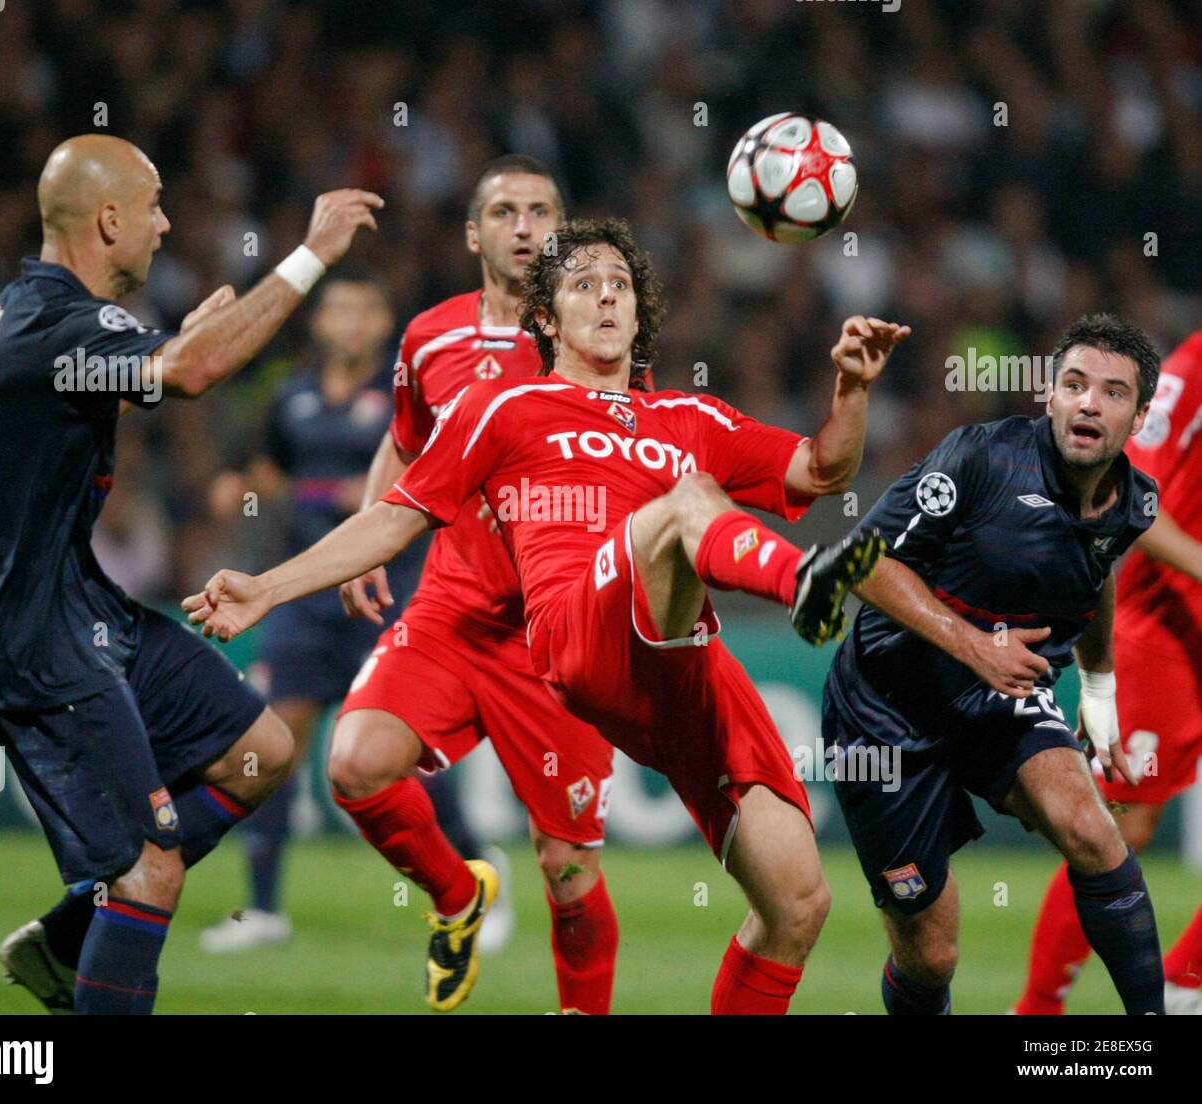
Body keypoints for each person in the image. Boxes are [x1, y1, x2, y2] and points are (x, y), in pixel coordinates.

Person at [183, 216, 909, 1015]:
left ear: (640, 315)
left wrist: (853, 387)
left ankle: (800, 582)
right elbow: (394, 518)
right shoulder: (505, 407)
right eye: (583, 284)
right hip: (575, 635)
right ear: (546, 318)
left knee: (798, 905)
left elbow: (820, 468)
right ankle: (801, 581)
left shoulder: (691, 421)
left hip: (686, 668)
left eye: (620, 285)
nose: (605, 298)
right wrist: (268, 586)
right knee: (684, 504)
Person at [0, 133, 379, 1013]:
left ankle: (72, 942)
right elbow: (191, 369)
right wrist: (310, 255)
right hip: (25, 632)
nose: (166, 223)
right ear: (109, 219)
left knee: (262, 753)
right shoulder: (50, 324)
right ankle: (106, 926)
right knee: (150, 873)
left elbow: (170, 359)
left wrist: (188, 341)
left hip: (76, 604)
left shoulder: (48, 315)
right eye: (152, 207)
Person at [824, 313, 1166, 1015]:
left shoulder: (1133, 501)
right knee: (932, 957)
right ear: (1049, 396)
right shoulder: (980, 459)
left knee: (1092, 831)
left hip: (1000, 695)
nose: (1088, 404)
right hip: (885, 713)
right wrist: (975, 645)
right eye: (1074, 384)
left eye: (1111, 392)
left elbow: (1094, 571)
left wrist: (1098, 689)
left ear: (1138, 415)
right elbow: (859, 564)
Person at [332, 155, 612, 1012]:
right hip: (453, 608)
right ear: (472, 232)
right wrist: (370, 540)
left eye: (540, 211)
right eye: (503, 211)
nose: (524, 227)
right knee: (354, 766)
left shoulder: (596, 336)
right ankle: (458, 896)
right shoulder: (429, 337)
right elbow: (407, 444)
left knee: (567, 869)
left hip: (558, 632)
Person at [199, 276, 425, 952]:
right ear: (321, 323)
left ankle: (469, 874)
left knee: (403, 752)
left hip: (387, 594)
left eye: (363, 306)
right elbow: (263, 471)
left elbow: (429, 483)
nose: (349, 321)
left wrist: (372, 491)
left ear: (384, 321)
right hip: (303, 597)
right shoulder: (291, 395)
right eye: (337, 309)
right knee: (275, 747)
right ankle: (264, 910)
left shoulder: (403, 399)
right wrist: (237, 488)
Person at [1015, 329, 1202, 1016]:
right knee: (1121, 824)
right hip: (1171, 627)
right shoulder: (1189, 372)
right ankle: (1035, 1012)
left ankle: (1185, 985)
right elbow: (1133, 502)